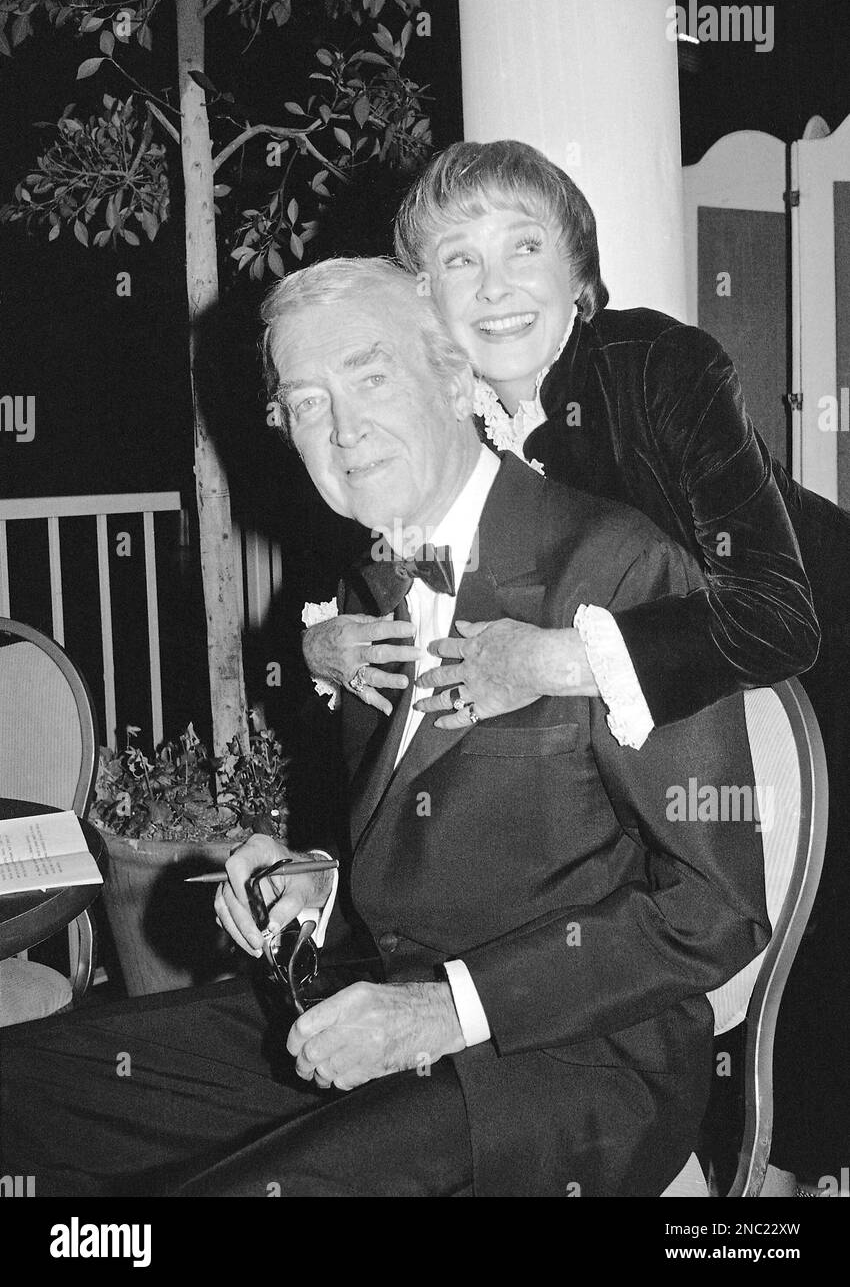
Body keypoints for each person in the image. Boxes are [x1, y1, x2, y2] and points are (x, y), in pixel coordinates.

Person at [0, 258, 770, 1198]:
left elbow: (717, 911)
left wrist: (446, 1011)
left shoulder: (617, 571)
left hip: (573, 1067)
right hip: (371, 1002)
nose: (343, 429)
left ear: (454, 379)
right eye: (307, 402)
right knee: (25, 1087)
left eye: (370, 377)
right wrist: (308, 884)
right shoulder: (375, 586)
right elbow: (415, 831)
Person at [301, 141, 849, 1192]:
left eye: (525, 247)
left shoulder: (658, 367)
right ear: (424, 300)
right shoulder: (450, 410)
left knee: (807, 948)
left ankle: (776, 1174)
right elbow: (394, 560)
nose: (496, 285)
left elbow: (778, 617)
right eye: (457, 260)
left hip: (822, 657)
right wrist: (323, 640)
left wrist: (549, 659)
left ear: (580, 278)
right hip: (682, 693)